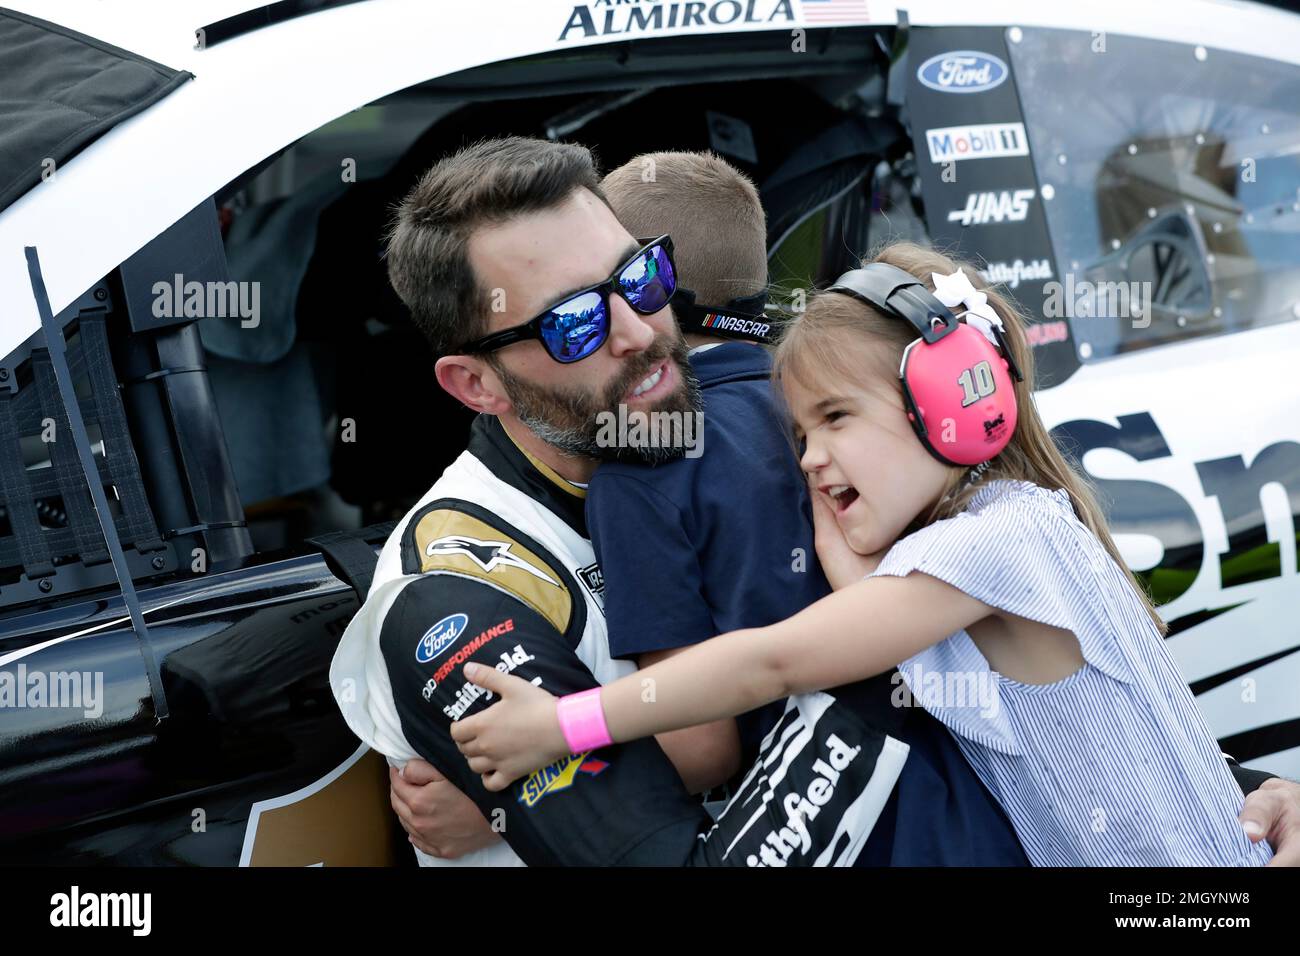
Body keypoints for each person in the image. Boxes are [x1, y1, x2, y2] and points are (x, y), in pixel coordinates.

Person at [449, 242, 1290, 866]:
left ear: (950, 401)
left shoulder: (999, 542)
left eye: (837, 419)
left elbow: (773, 662)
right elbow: (858, 604)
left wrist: (562, 723)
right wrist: (835, 508)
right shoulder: (990, 540)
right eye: (802, 434)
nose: (809, 459)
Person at [329, 136, 918, 867]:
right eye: (574, 324)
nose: (640, 332)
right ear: (475, 385)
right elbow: (670, 804)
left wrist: (502, 805)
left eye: (640, 277)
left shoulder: (794, 421)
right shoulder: (458, 581)